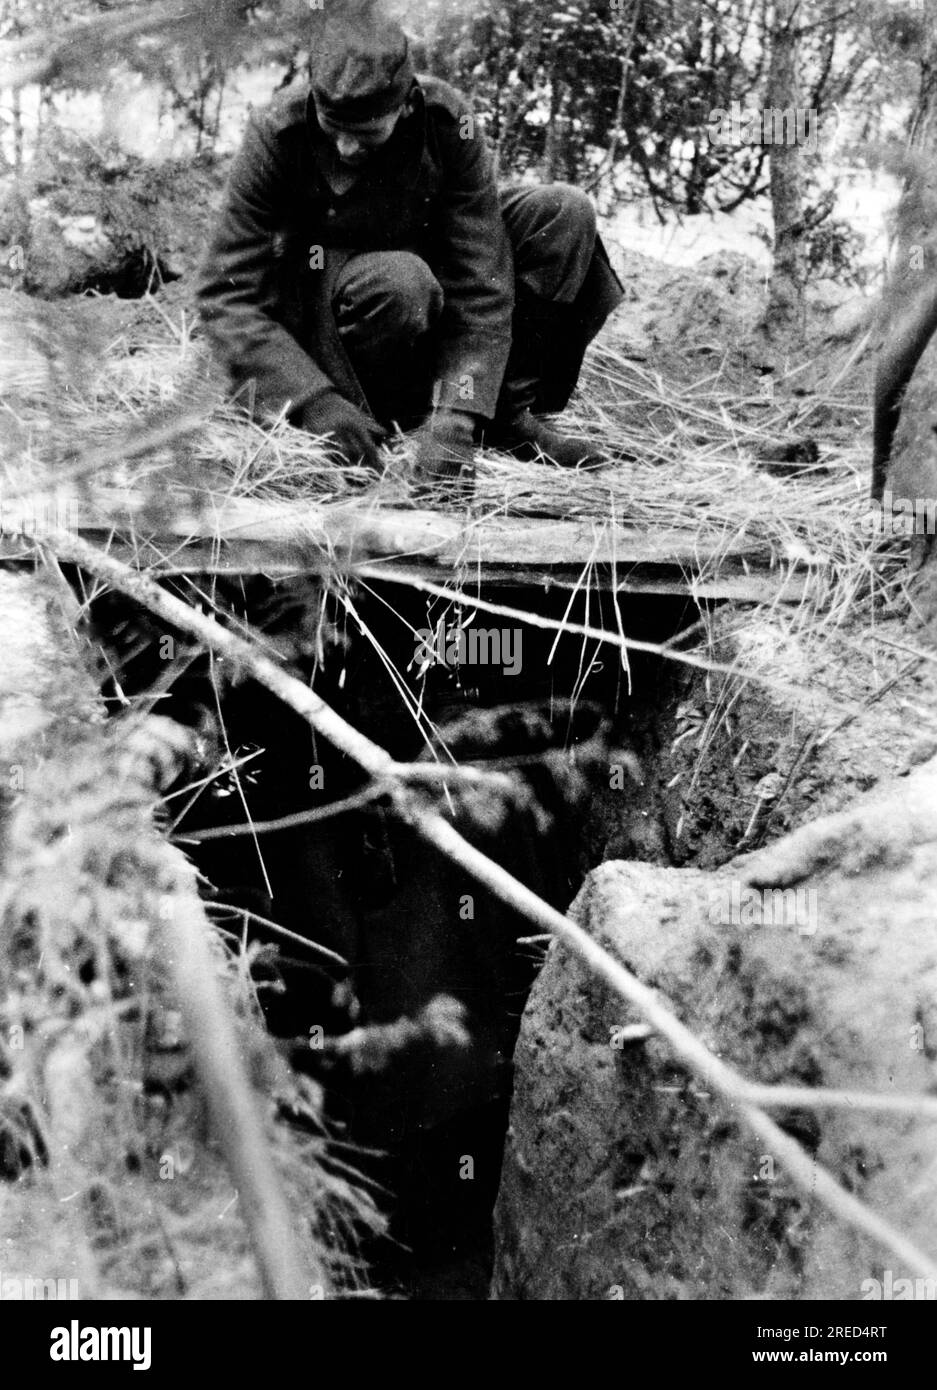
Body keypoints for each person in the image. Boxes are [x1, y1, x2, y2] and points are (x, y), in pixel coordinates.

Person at [196, 11, 624, 492]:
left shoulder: (449, 122)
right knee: (402, 281)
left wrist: (459, 411)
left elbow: (480, 276)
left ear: (405, 106)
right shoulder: (276, 134)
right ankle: (376, 418)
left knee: (561, 213)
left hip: (426, 274)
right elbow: (225, 294)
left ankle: (495, 416)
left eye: (365, 132)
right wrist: (313, 402)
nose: (345, 147)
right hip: (331, 292)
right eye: (333, 126)